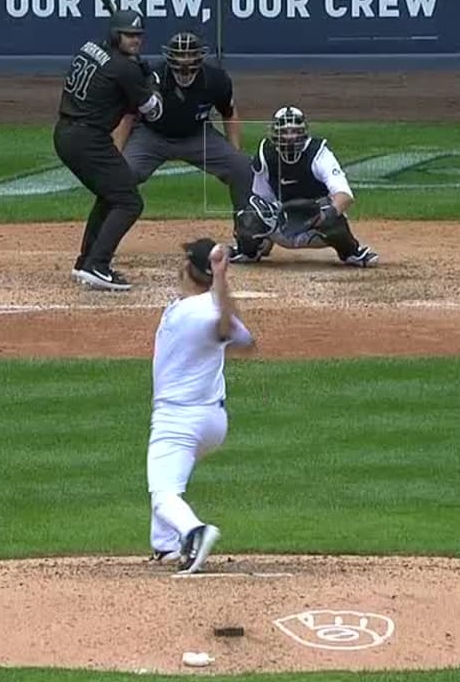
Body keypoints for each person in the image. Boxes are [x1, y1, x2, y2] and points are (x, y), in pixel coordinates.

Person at [146, 238, 253, 573]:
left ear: (186, 268)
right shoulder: (207, 308)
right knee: (167, 479)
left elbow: (222, 329)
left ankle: (194, 532)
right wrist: (221, 284)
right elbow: (244, 341)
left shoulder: (192, 313)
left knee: (164, 493)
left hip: (179, 419)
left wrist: (220, 282)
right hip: (213, 421)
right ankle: (165, 547)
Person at [116, 31, 254, 260]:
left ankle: (250, 236)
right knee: (120, 175)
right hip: (151, 135)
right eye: (179, 62)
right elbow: (128, 116)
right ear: (170, 60)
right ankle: (103, 240)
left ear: (200, 60)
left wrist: (234, 153)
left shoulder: (216, 79)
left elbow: (229, 114)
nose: (185, 68)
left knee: (242, 168)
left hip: (197, 135)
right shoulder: (151, 78)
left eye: (190, 61)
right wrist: (117, 154)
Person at [54, 9, 164, 291]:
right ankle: (97, 265)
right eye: (129, 35)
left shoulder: (91, 48)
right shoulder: (126, 69)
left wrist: (137, 75)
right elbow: (153, 112)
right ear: (116, 34)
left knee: (111, 194)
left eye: (139, 36)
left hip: (68, 133)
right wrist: (151, 83)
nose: (135, 41)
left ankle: (85, 261)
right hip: (87, 139)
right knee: (129, 202)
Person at [231, 106, 379, 268]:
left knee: (334, 217)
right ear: (275, 133)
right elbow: (261, 197)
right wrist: (270, 223)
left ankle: (351, 253)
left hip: (315, 225)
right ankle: (249, 251)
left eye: (294, 131)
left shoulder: (318, 153)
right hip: (283, 223)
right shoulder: (266, 154)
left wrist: (324, 216)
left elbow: (344, 195)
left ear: (303, 132)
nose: (289, 137)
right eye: (285, 132)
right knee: (250, 213)